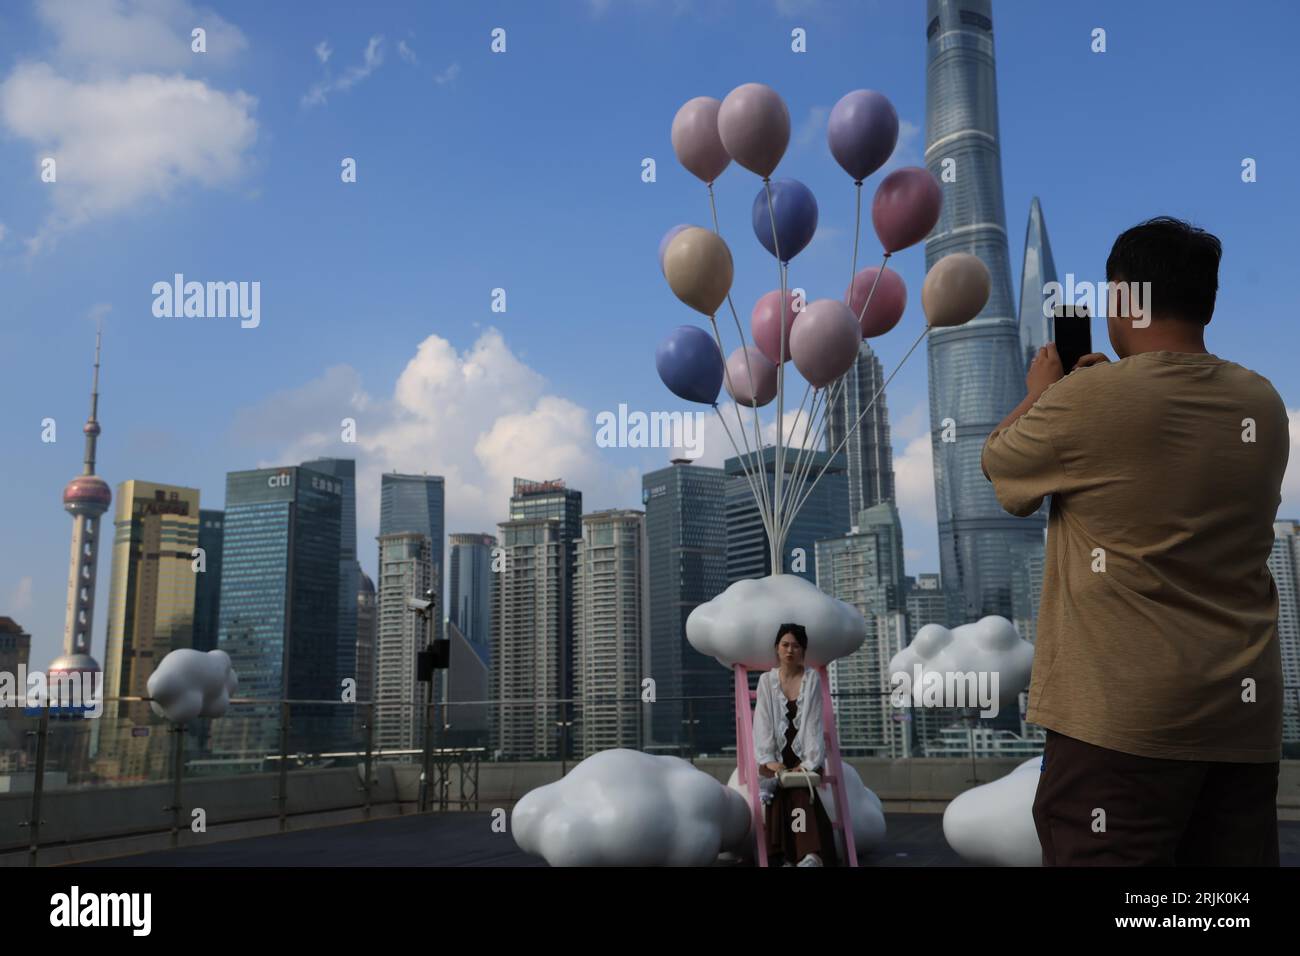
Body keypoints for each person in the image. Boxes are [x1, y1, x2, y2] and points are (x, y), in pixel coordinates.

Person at [982, 216, 1289, 866]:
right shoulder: (1261, 404)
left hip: (1119, 731)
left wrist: (1044, 394)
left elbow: (999, 467)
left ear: (1125, 300)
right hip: (1240, 727)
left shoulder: (1089, 399)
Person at [752, 623, 839, 867]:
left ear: (803, 651)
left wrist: (809, 761)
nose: (790, 650)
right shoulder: (766, 681)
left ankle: (807, 855)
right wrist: (769, 758)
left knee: (800, 785)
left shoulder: (810, 679)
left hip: (806, 754)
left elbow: (812, 723)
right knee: (777, 782)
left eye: (796, 646)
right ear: (777, 649)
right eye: (785, 645)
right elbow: (762, 722)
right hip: (774, 756)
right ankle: (790, 855)